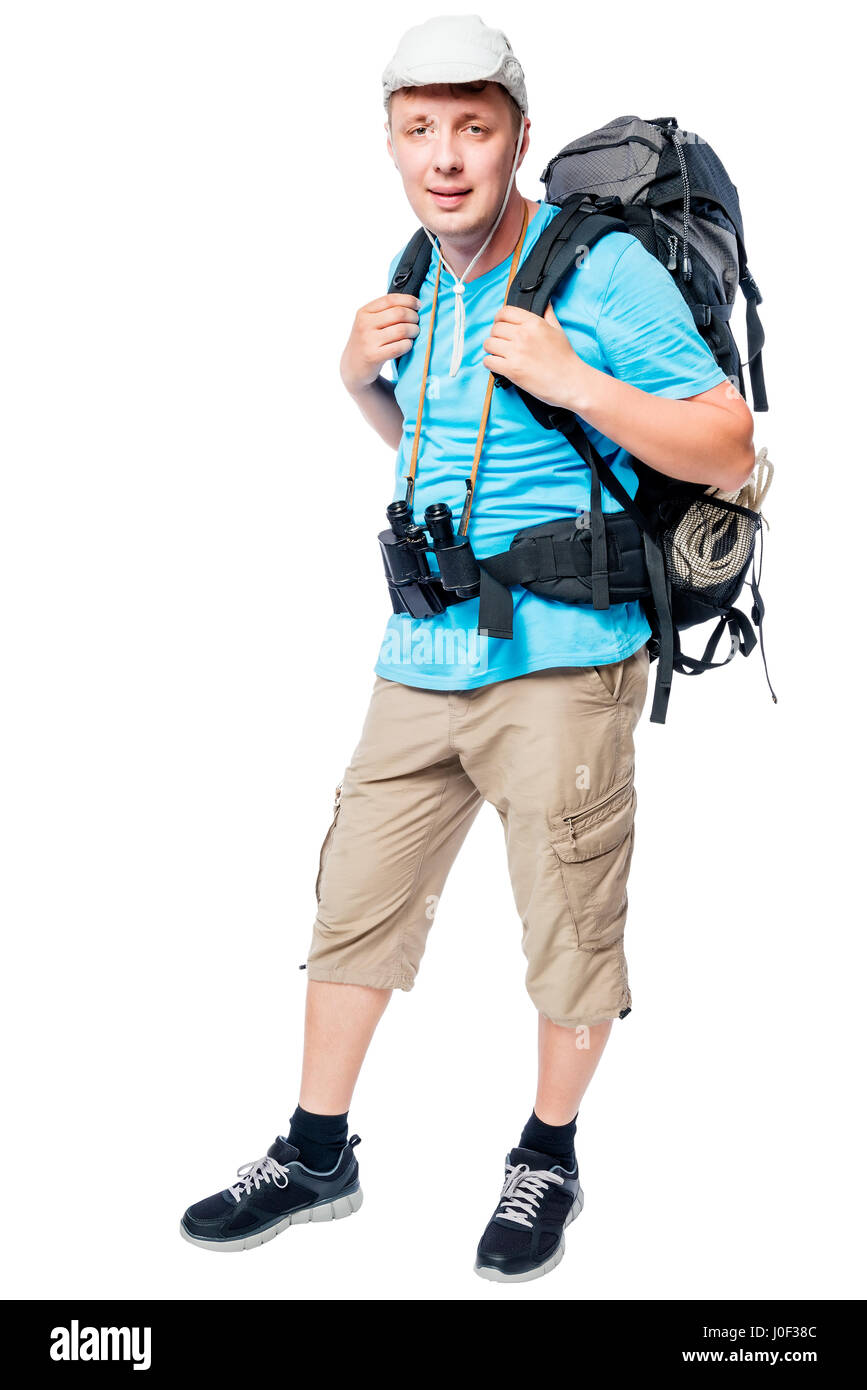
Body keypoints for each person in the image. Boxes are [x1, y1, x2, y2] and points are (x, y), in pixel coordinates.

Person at [180, 14, 755, 1281]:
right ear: (391, 142)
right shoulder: (416, 274)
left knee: (567, 923)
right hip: (424, 654)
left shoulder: (597, 271)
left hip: (564, 661)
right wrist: (353, 380)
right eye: (421, 130)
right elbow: (448, 459)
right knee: (352, 904)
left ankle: (548, 1155)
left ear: (518, 141)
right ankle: (317, 1149)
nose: (446, 157)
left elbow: (733, 447)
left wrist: (583, 378)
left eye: (473, 130)